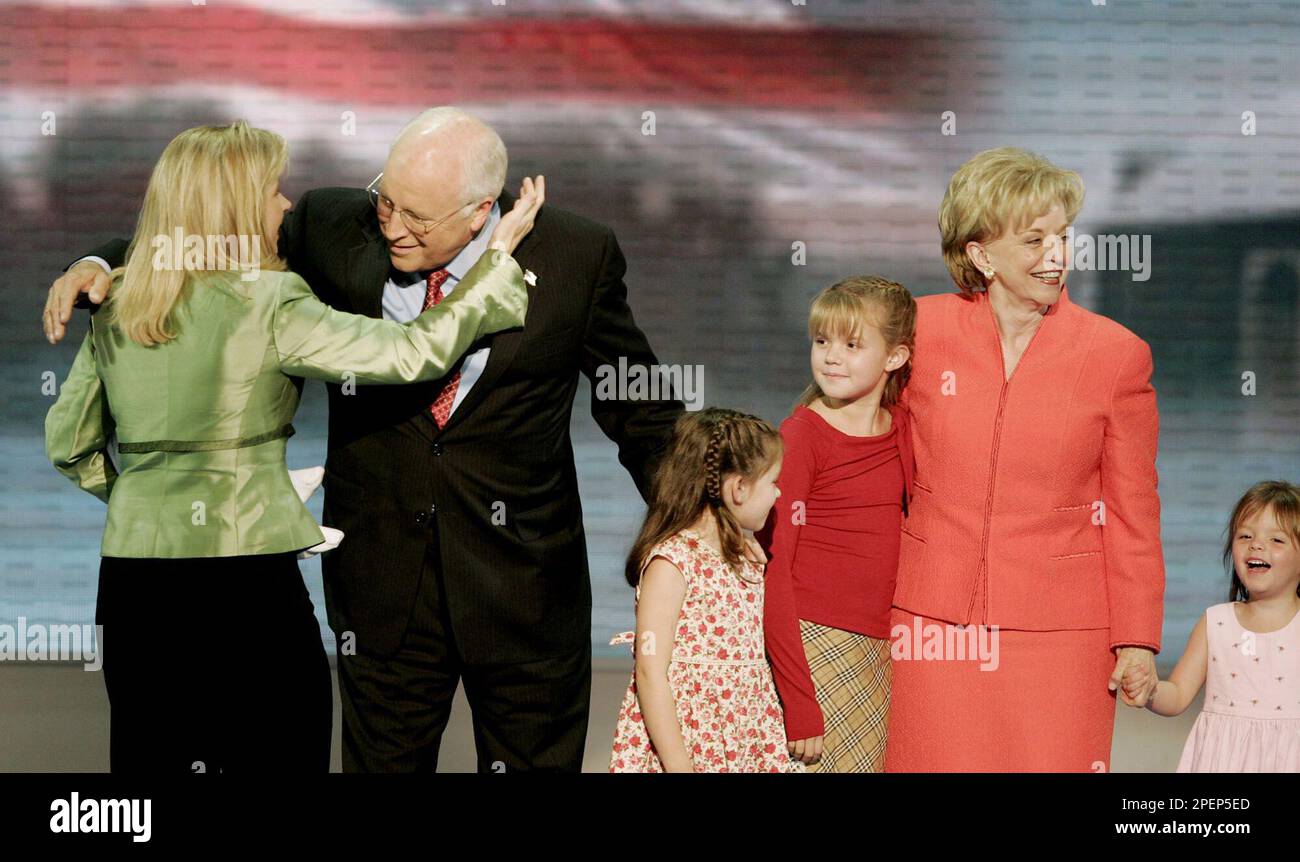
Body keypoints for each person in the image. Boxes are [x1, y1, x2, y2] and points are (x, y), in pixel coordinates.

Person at [44, 106, 684, 772]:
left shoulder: (575, 253)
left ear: (479, 210)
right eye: (388, 201)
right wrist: (95, 263)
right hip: (381, 596)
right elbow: (201, 227)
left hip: (523, 593)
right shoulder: (333, 225)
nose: (393, 226)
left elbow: (635, 399)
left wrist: (694, 523)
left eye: (416, 217)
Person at [885, 147, 1166, 772]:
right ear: (980, 254)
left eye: (1062, 237)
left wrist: (1138, 639)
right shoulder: (917, 332)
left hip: (1063, 633)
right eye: (1034, 240)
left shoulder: (1116, 354)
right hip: (930, 621)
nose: (1056, 255)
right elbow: (867, 458)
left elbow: (1133, 512)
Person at [756, 276, 916, 772]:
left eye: (851, 344)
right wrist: (799, 701)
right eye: (822, 341)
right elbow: (773, 569)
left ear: (894, 357)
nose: (830, 357)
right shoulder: (803, 434)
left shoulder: (904, 427)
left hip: (877, 649)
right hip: (812, 645)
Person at [609, 408, 803, 773]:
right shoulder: (672, 563)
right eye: (773, 482)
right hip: (691, 745)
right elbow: (651, 673)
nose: (779, 494)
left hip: (747, 739)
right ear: (739, 489)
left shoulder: (745, 558)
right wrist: (680, 766)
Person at [1127, 481, 1300, 772]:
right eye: (1245, 535)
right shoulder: (1217, 622)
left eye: (1277, 540)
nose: (1256, 544)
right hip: (1222, 760)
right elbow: (1179, 694)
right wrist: (1151, 689)